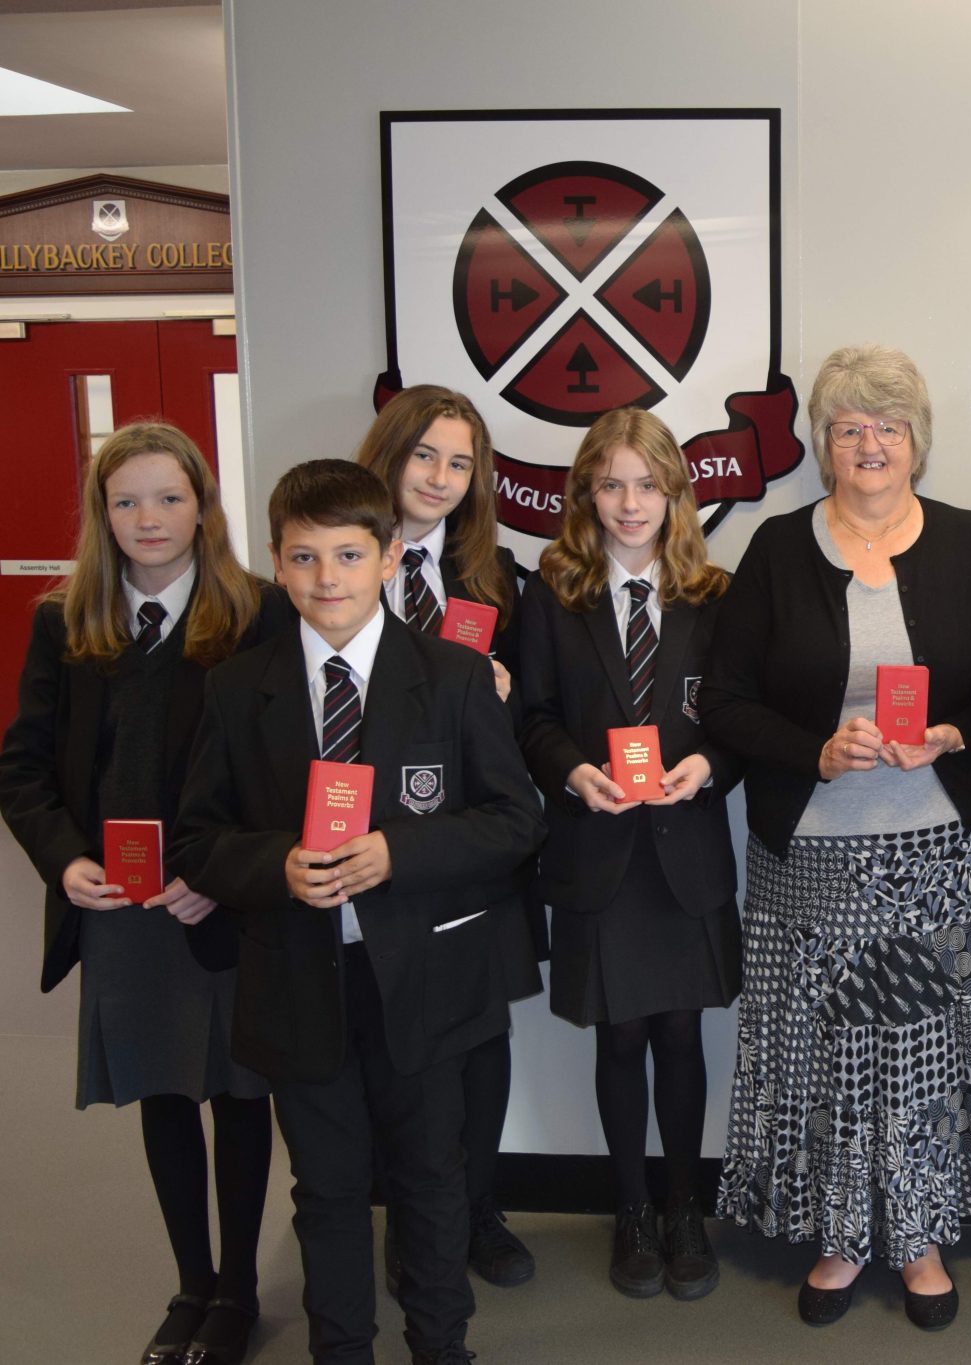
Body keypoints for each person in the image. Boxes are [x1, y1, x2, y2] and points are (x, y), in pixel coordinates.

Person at [171, 459, 545, 1365]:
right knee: (328, 1188)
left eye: (347, 554)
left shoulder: (453, 677)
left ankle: (439, 1345)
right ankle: (342, 1349)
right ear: (275, 561)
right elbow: (195, 842)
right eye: (303, 558)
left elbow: (515, 818)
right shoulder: (237, 688)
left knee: (430, 1179)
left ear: (387, 557)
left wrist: (398, 852)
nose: (326, 579)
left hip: (427, 977)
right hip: (300, 976)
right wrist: (276, 866)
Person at [706, 345, 971, 1332]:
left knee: (926, 1048)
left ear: (916, 443)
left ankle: (925, 1237)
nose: (868, 443)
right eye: (848, 426)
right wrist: (812, 749)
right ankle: (843, 1236)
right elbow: (723, 702)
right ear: (822, 442)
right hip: (816, 856)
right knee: (834, 1051)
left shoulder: (970, 542)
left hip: (942, 854)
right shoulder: (774, 549)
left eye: (886, 427)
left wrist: (956, 731)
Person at [0, 421, 287, 1365]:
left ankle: (239, 1289)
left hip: (219, 901)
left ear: (202, 507)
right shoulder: (66, 620)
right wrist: (63, 857)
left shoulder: (258, 612)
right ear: (102, 515)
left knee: (239, 1094)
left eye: (168, 497)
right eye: (125, 501)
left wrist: (224, 873)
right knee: (163, 1090)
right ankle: (191, 1283)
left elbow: (283, 769)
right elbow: (24, 768)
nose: (147, 518)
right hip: (120, 910)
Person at [516, 408, 740, 1301]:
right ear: (586, 495)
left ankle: (686, 1205)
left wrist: (710, 763)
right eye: (610, 484)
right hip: (598, 845)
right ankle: (631, 1207)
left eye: (648, 483)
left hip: (683, 852)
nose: (630, 502)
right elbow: (529, 717)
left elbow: (737, 716)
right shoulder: (555, 593)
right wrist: (573, 772)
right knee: (620, 1035)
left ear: (675, 493)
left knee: (682, 1033)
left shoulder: (712, 595)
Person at [354, 384, 544, 1291]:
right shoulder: (345, 562)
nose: (438, 477)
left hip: (473, 842)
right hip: (369, 846)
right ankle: (412, 1222)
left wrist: (504, 694)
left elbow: (539, 716)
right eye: (424, 454)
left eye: (459, 462)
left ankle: (476, 1214)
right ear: (389, 455)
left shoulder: (499, 579)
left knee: (480, 1042)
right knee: (391, 1047)